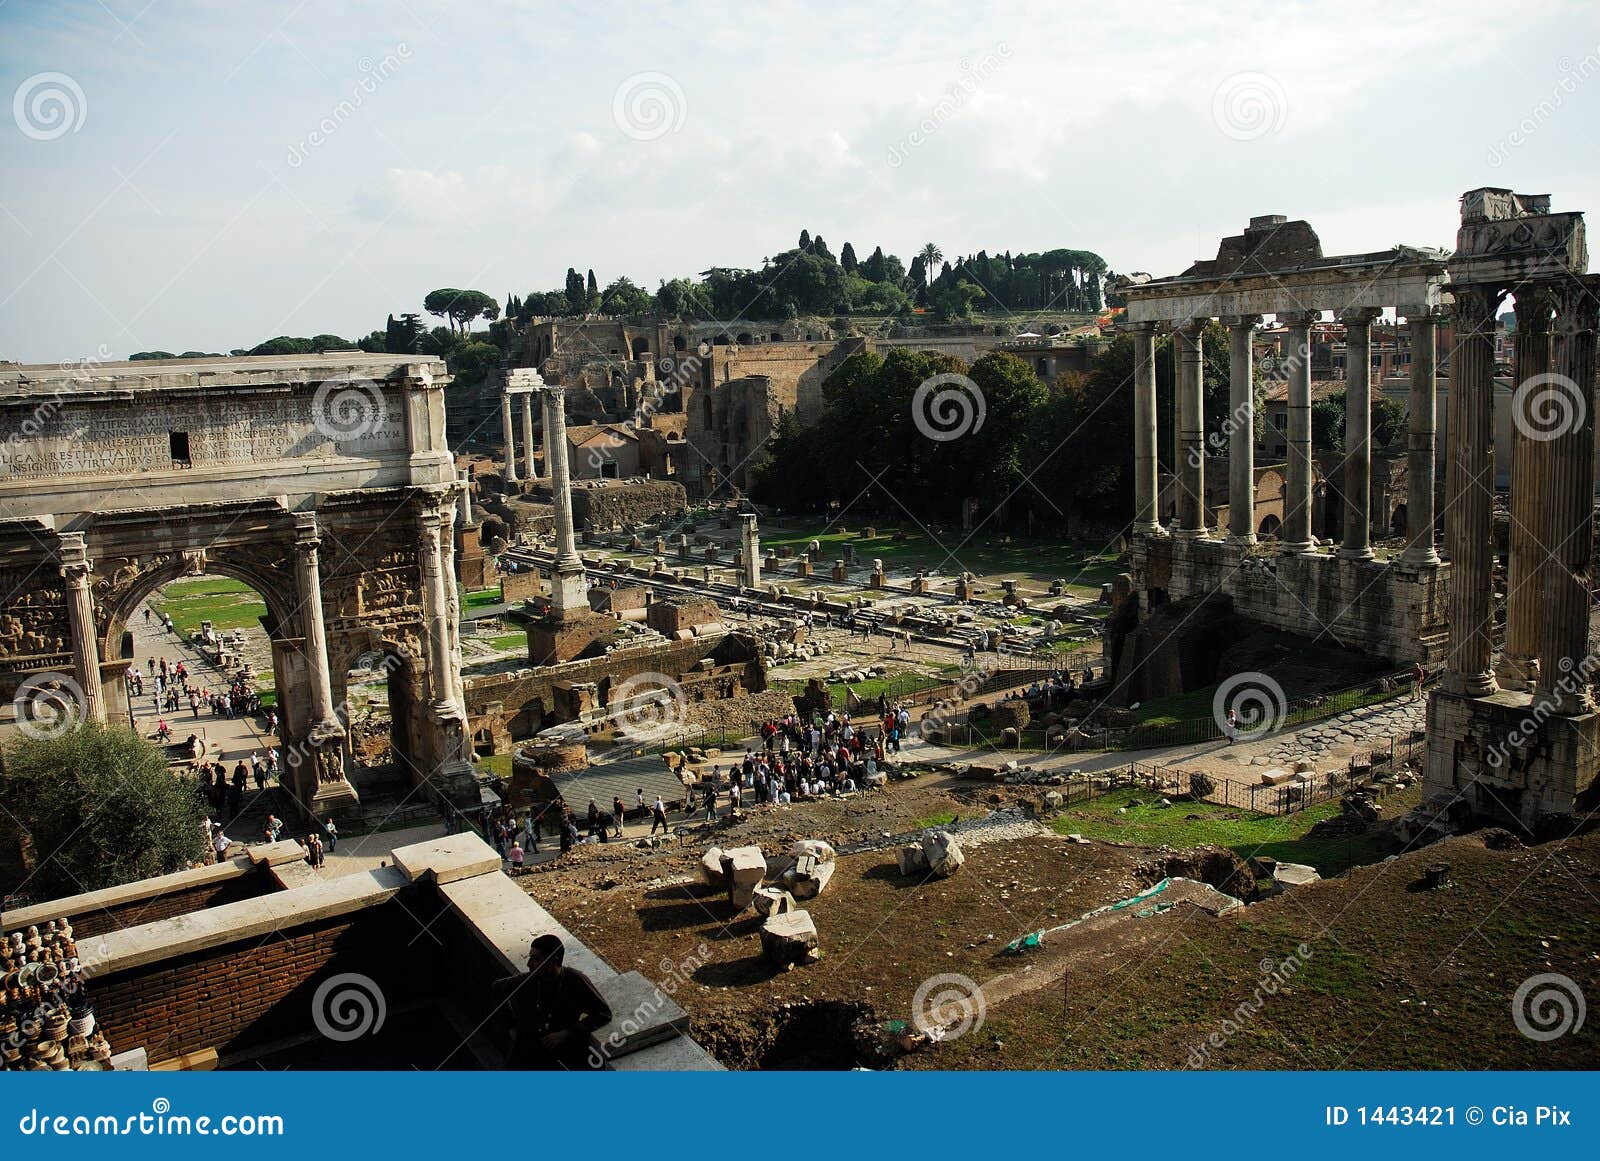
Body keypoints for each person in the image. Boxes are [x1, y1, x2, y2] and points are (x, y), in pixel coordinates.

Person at [491, 935, 612, 1070]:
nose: (529, 964)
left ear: (552, 961)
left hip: (562, 1047)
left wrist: (566, 1033)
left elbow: (603, 1013)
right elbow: (497, 989)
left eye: (536, 959)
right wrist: (511, 1026)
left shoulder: (574, 980)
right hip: (529, 1047)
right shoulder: (527, 981)